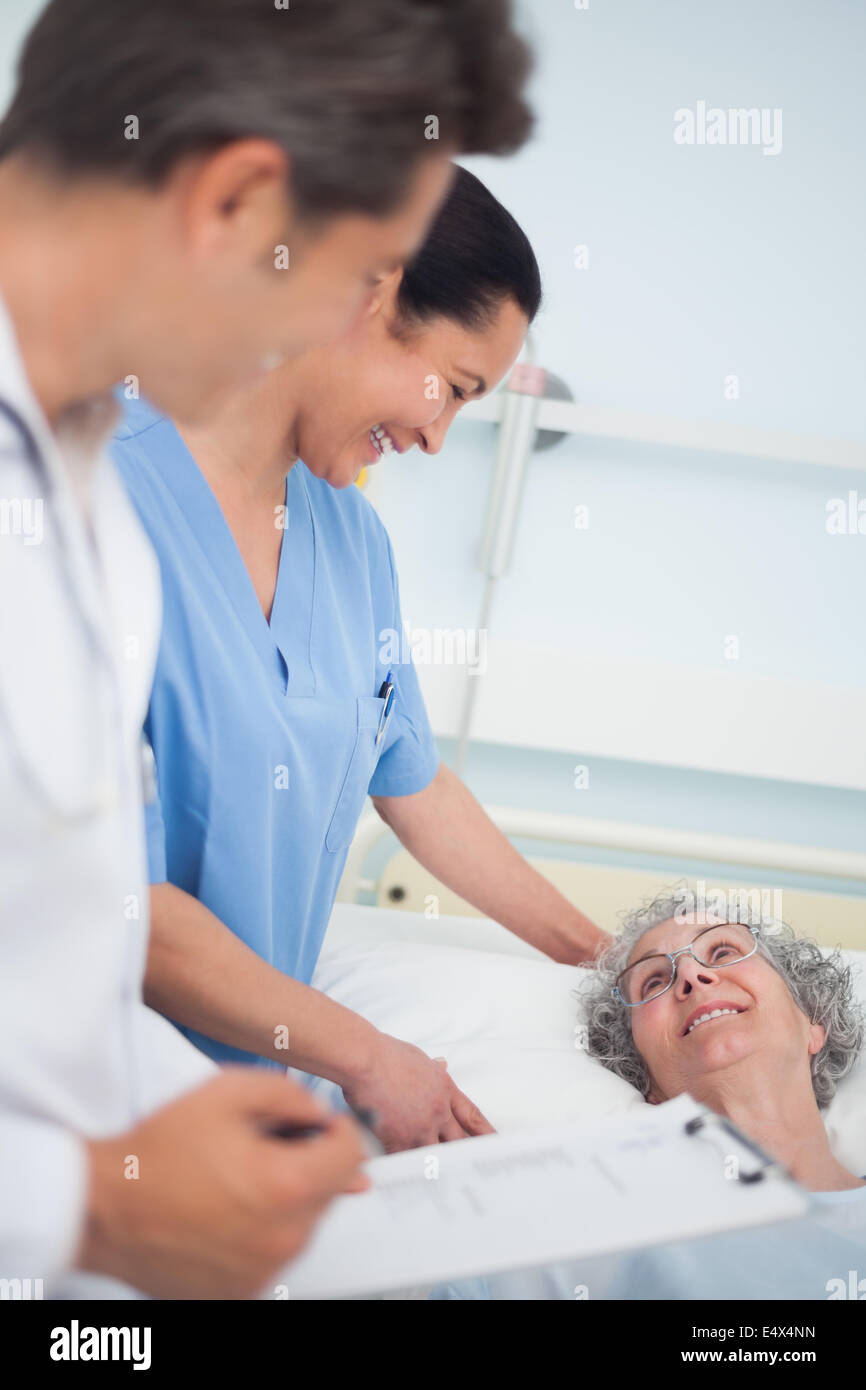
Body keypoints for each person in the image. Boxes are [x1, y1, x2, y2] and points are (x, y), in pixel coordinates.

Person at [0, 0, 533, 1298]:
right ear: (239, 203)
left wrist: (233, 1150)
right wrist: (83, 1203)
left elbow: (63, 952)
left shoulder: (80, 520)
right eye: (362, 272)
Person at [111, 168, 612, 1156]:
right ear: (368, 290)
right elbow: (115, 900)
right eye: (451, 389)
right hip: (87, 1108)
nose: (434, 438)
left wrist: (604, 958)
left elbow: (412, 782)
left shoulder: (350, 540)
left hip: (259, 1101)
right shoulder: (87, 500)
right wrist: (368, 1057)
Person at [434, 886, 866, 1299]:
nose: (693, 975)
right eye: (654, 982)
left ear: (812, 1020)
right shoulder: (579, 1231)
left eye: (722, 951)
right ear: (648, 1081)